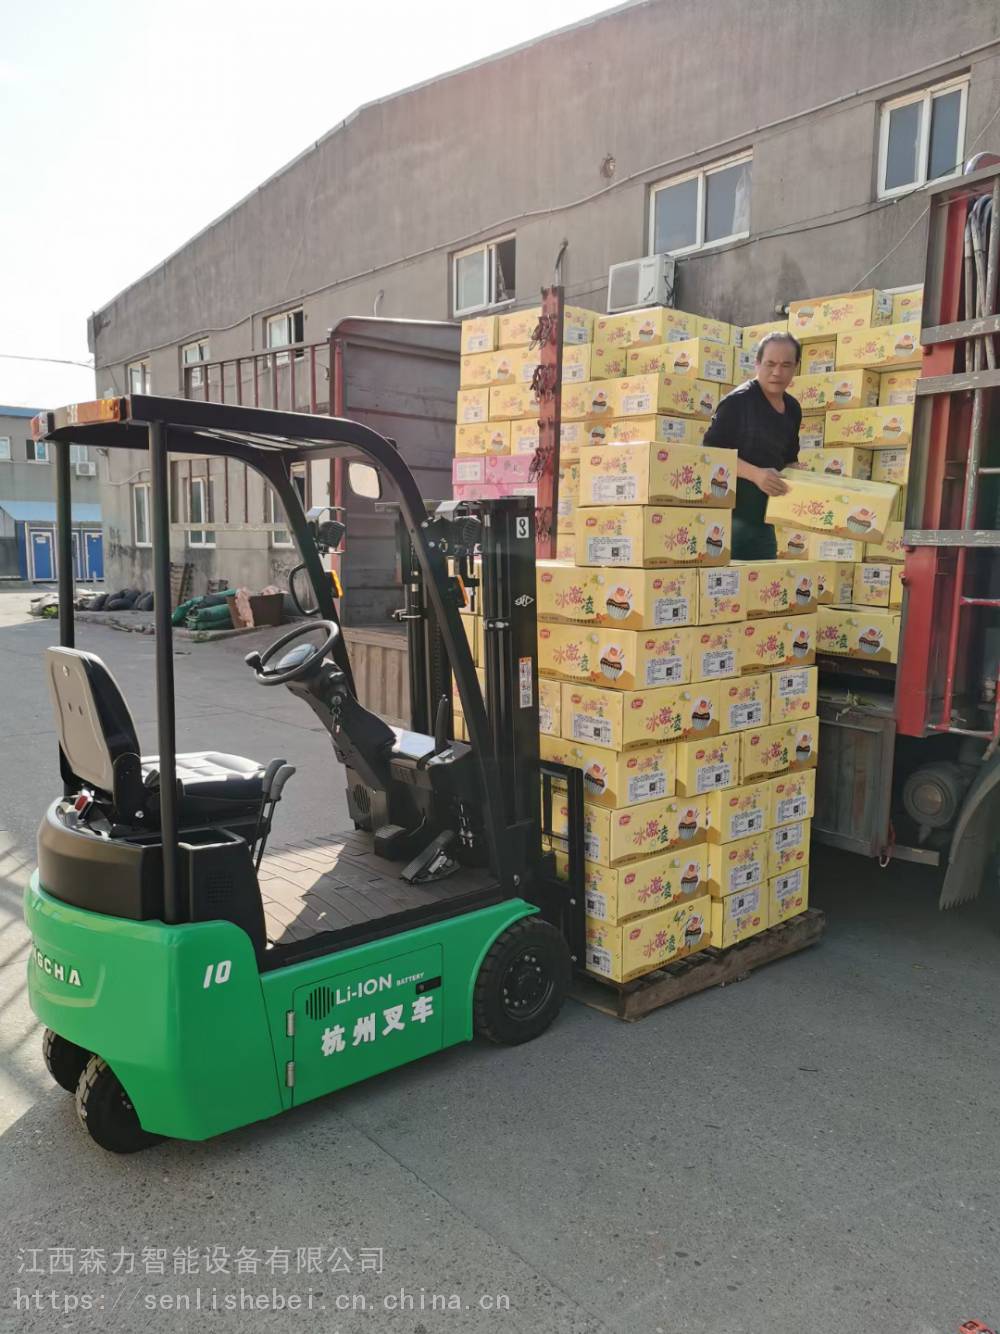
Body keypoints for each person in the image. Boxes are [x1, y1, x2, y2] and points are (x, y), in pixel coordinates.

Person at [703, 331, 803, 559]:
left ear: (796, 367)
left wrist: (808, 485)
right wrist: (756, 475)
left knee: (766, 579)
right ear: (757, 363)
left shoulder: (793, 408)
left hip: (764, 521)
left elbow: (790, 459)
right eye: (770, 364)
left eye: (786, 365)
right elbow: (710, 453)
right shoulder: (737, 402)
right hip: (730, 521)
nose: (777, 372)